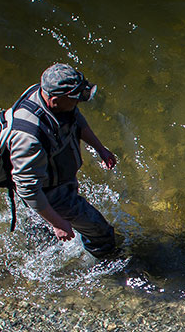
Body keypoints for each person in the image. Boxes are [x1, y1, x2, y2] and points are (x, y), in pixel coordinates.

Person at [8, 63, 121, 259]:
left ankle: (40, 231)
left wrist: (100, 148)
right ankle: (110, 270)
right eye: (74, 99)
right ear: (54, 100)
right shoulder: (28, 137)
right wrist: (58, 224)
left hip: (58, 178)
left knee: (44, 225)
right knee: (101, 233)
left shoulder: (55, 100)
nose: (77, 104)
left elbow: (75, 119)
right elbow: (27, 188)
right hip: (51, 191)